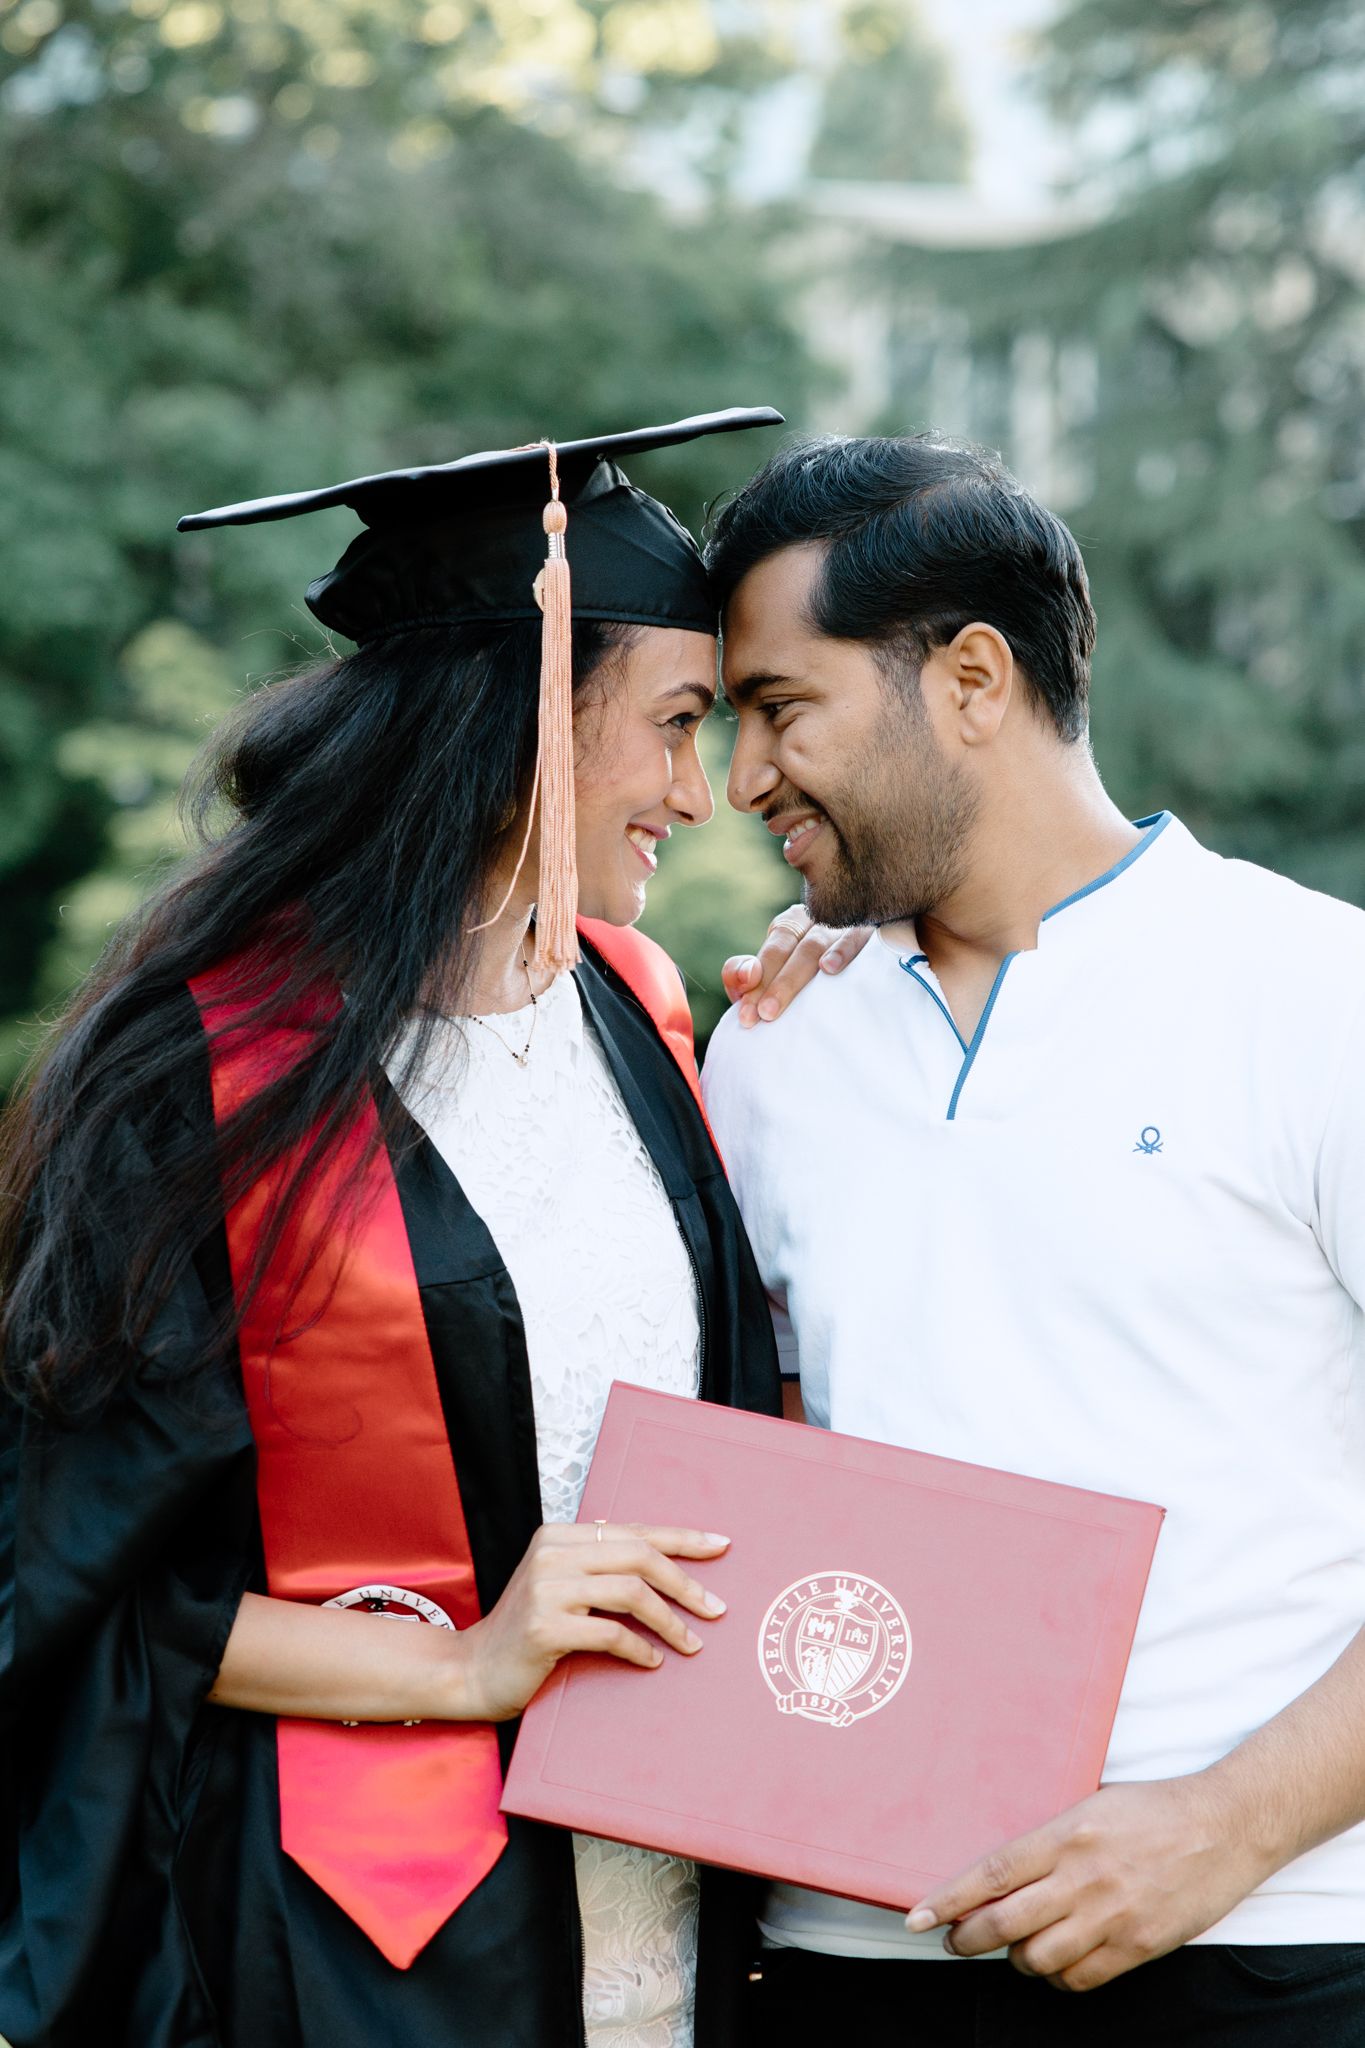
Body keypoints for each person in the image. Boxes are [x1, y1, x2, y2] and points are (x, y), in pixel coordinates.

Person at [0, 408, 832, 2048]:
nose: (700, 792)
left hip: (673, 1904)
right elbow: (71, 1574)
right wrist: (461, 1667)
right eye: (674, 725)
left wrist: (819, 1049)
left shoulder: (643, 1009)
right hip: (358, 1942)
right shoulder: (201, 1078)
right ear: (521, 715)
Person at [700, 432, 1365, 2046]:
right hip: (846, 1952)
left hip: (1262, 1943)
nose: (741, 778)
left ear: (971, 680)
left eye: (781, 707)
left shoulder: (1313, 995)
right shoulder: (771, 1041)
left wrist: (1224, 1830)